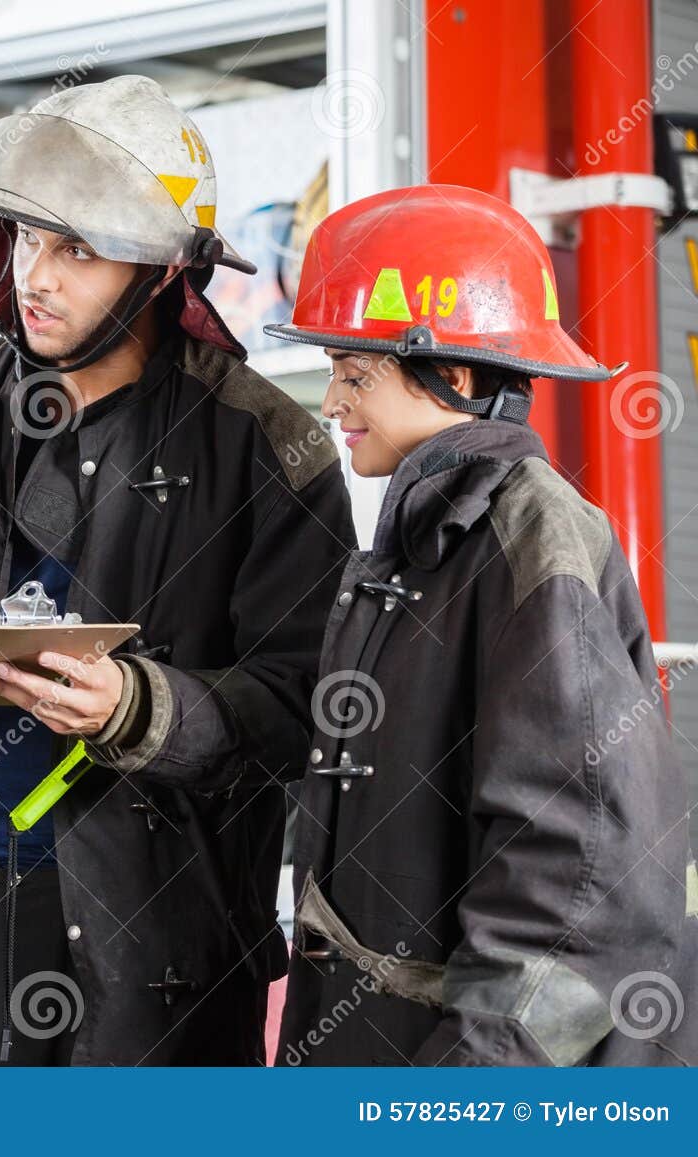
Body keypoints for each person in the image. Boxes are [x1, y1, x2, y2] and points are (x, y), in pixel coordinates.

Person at [0, 75, 354, 1065]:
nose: (35, 274)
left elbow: (308, 700)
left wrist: (139, 704)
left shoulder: (266, 448)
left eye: (77, 249)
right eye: (28, 239)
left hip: (151, 958)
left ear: (166, 271)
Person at [268, 183, 698, 1066]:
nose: (332, 403)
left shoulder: (529, 536)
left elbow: (585, 878)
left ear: (452, 376)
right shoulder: (425, 537)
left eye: (355, 373)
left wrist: (475, 1085)